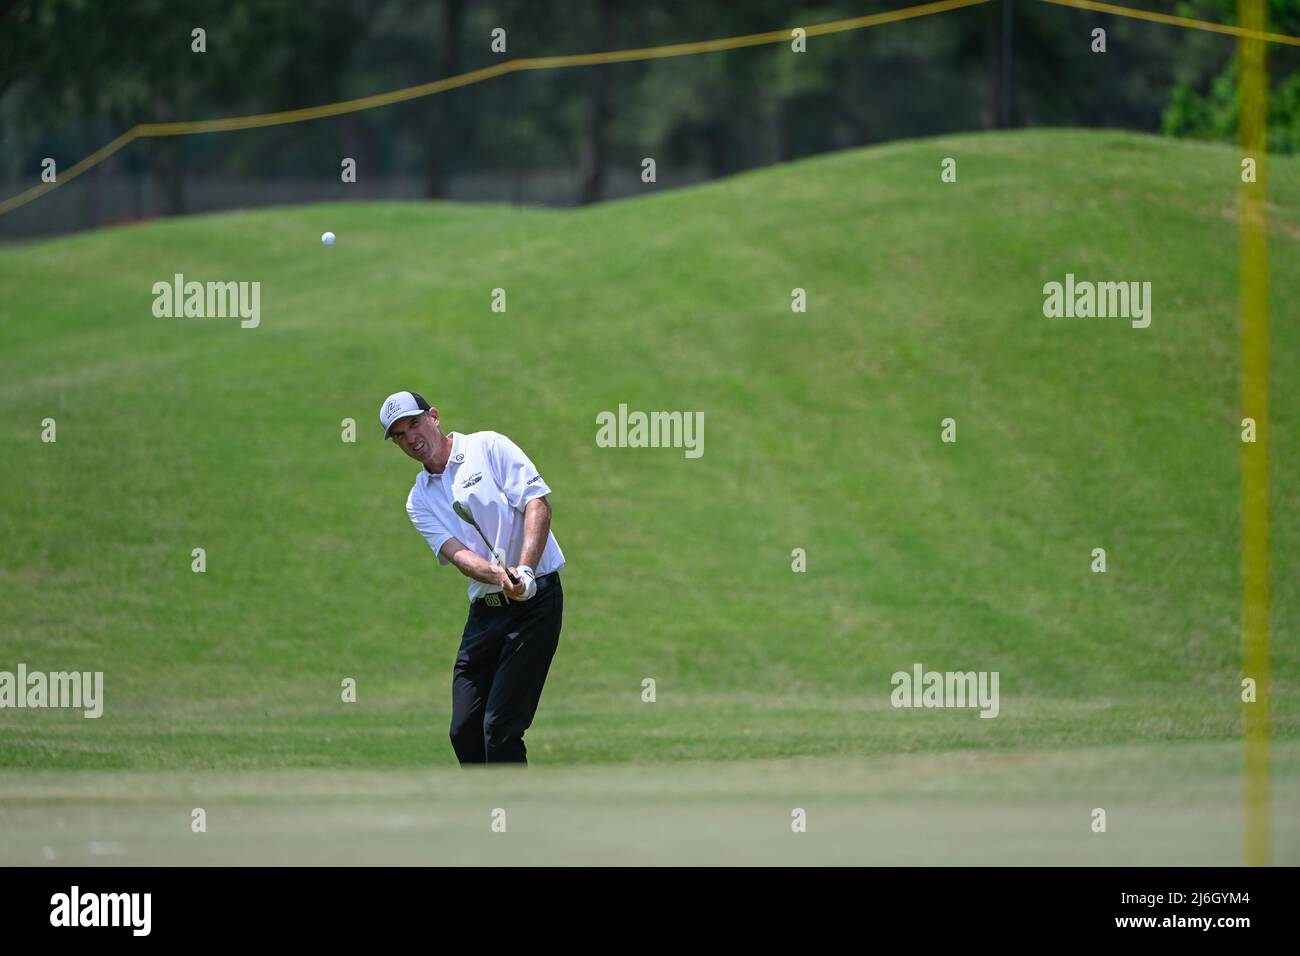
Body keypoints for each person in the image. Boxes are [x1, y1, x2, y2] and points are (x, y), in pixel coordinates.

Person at [379, 390, 565, 765]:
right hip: (486, 610)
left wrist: (525, 570)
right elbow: (458, 555)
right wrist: (502, 576)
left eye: (414, 423)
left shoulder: (488, 446)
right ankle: (487, 815)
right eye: (399, 435)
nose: (411, 438)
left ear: (434, 417)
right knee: (463, 730)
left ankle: (513, 820)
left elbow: (536, 502)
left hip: (535, 604)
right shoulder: (418, 499)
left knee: (500, 728)